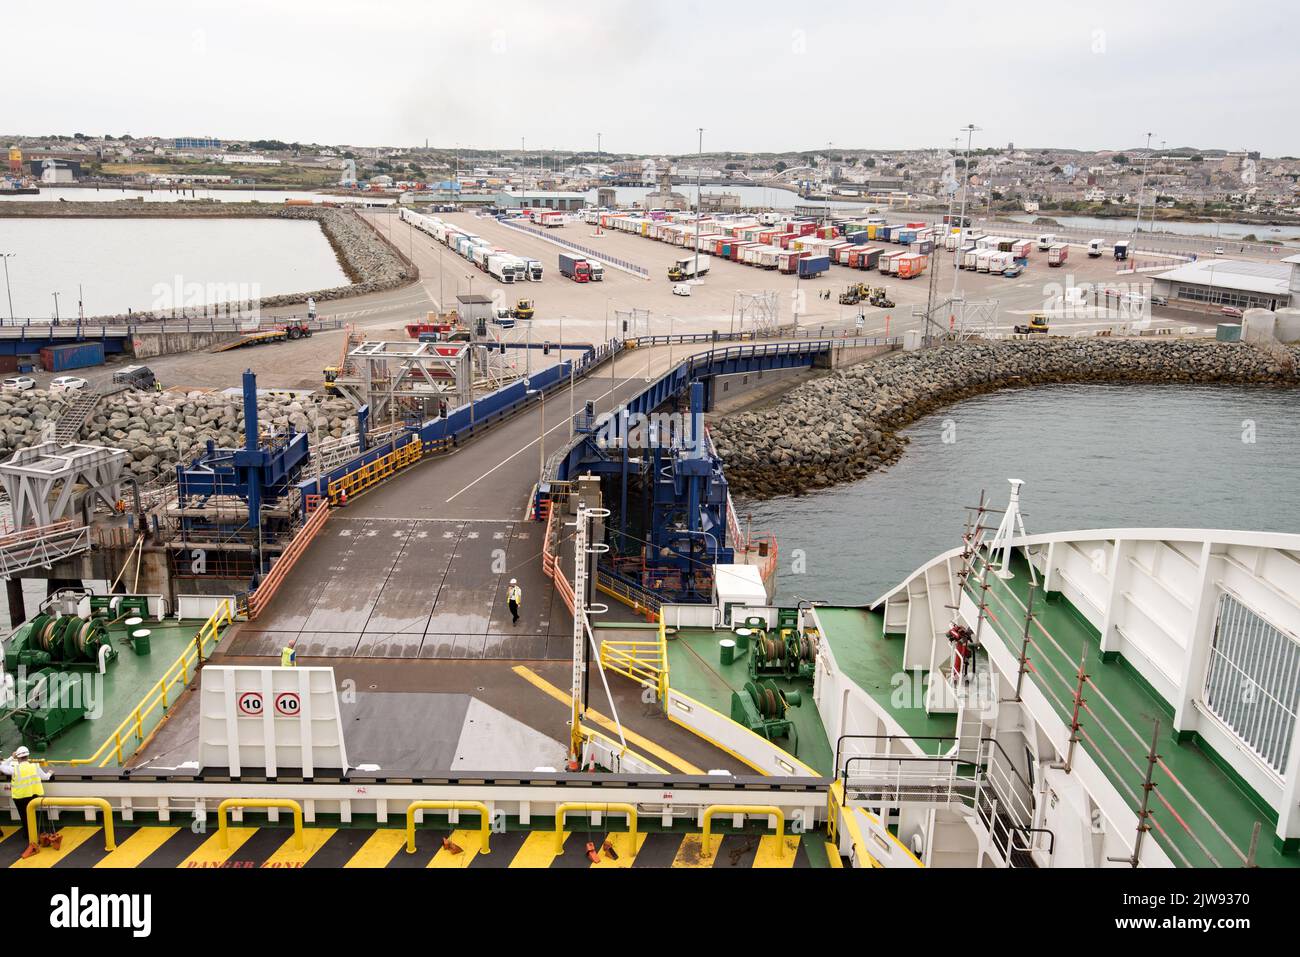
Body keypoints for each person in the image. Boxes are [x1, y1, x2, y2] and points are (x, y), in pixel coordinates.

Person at [2, 746, 56, 859]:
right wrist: (50, 773)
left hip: (19, 797)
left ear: (18, 757)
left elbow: (1, 767)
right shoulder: (35, 767)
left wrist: (11, 758)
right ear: (28, 755)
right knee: (33, 815)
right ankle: (37, 833)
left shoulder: (14, 769)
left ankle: (28, 834)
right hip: (33, 795)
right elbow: (45, 777)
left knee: (23, 816)